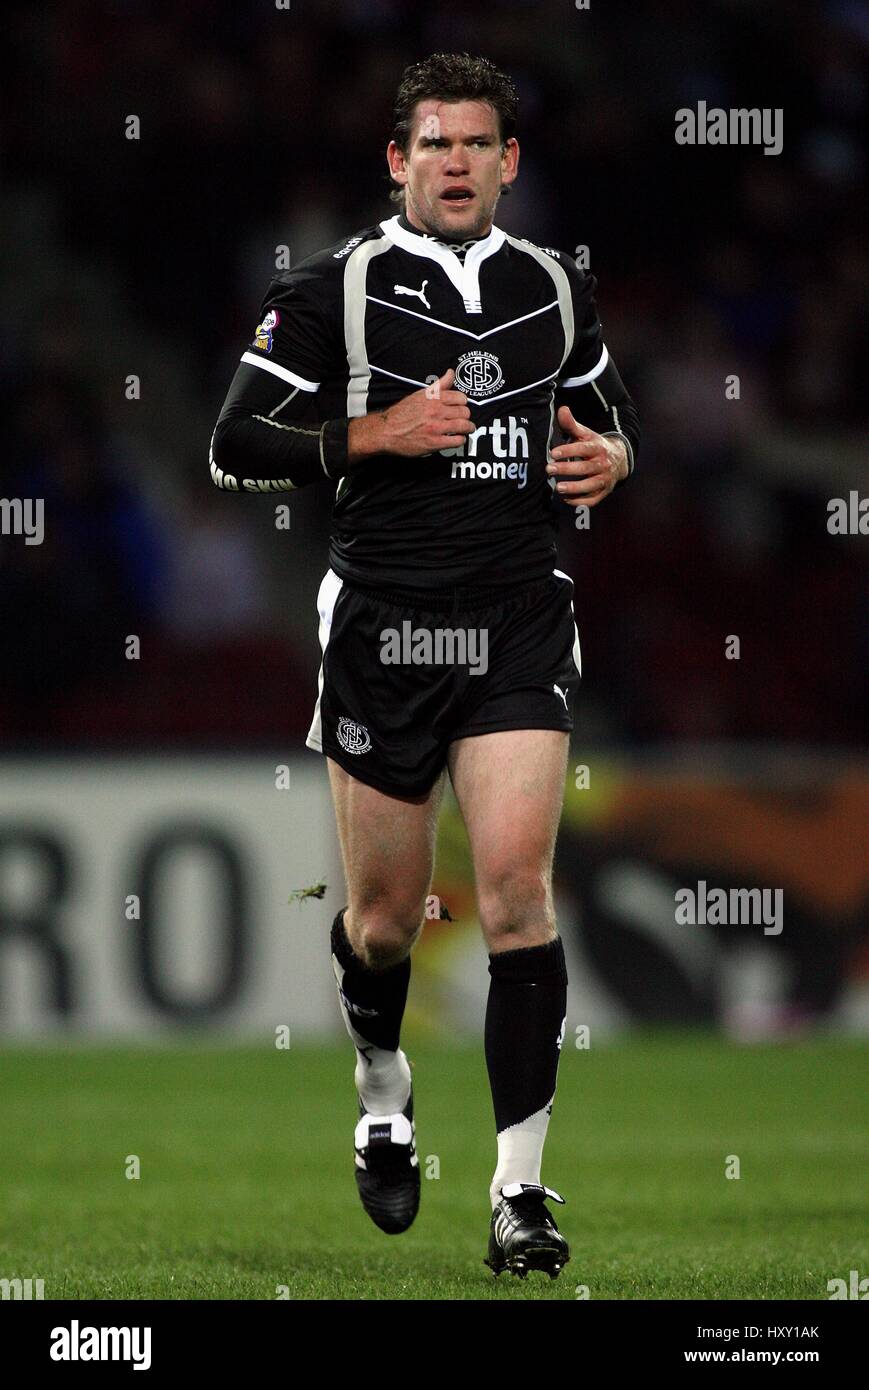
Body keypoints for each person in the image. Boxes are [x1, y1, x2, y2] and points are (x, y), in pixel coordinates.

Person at [210, 52, 640, 1280]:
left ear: (510, 162)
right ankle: (383, 1090)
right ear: (399, 162)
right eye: (433, 145)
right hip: (386, 629)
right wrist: (371, 434)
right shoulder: (330, 290)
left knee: (512, 893)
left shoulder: (556, 288)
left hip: (513, 616)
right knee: (389, 923)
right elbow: (232, 441)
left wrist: (615, 464)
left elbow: (608, 425)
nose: (456, 163)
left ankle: (518, 1194)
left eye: (478, 144)